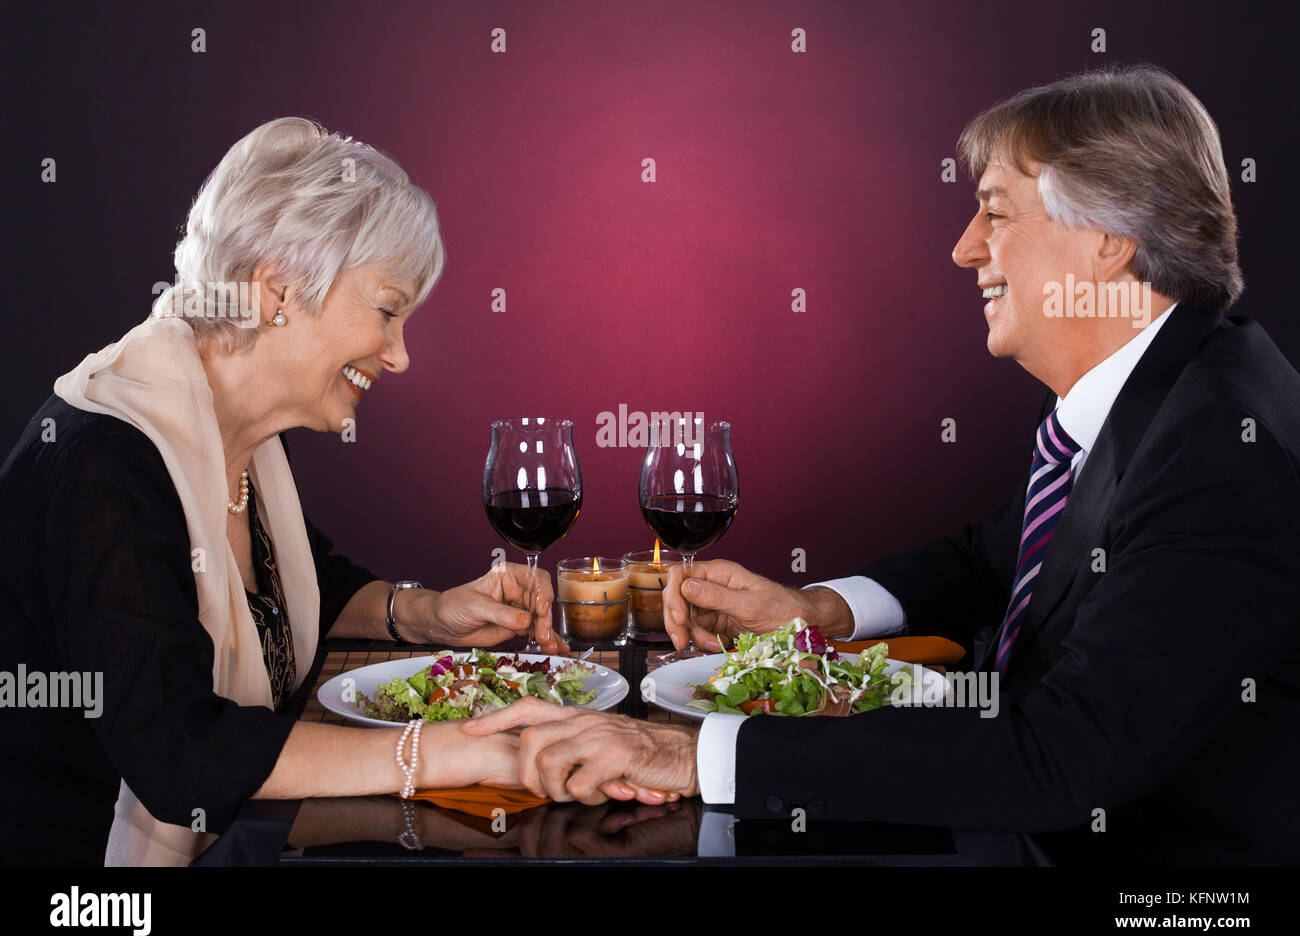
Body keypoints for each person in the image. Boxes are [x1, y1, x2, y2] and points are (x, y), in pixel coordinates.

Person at [463, 65, 1300, 865]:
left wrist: (690, 754)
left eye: (996, 213)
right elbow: (992, 558)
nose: (964, 249)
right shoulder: (1168, 393)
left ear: (1108, 245)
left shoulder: (1225, 454)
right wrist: (817, 609)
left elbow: (1059, 759)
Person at [0, 117, 568, 866]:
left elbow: (291, 587)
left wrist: (428, 614)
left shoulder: (236, 428)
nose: (398, 356)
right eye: (388, 310)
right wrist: (442, 754)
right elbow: (177, 752)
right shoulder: (103, 467)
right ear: (275, 289)